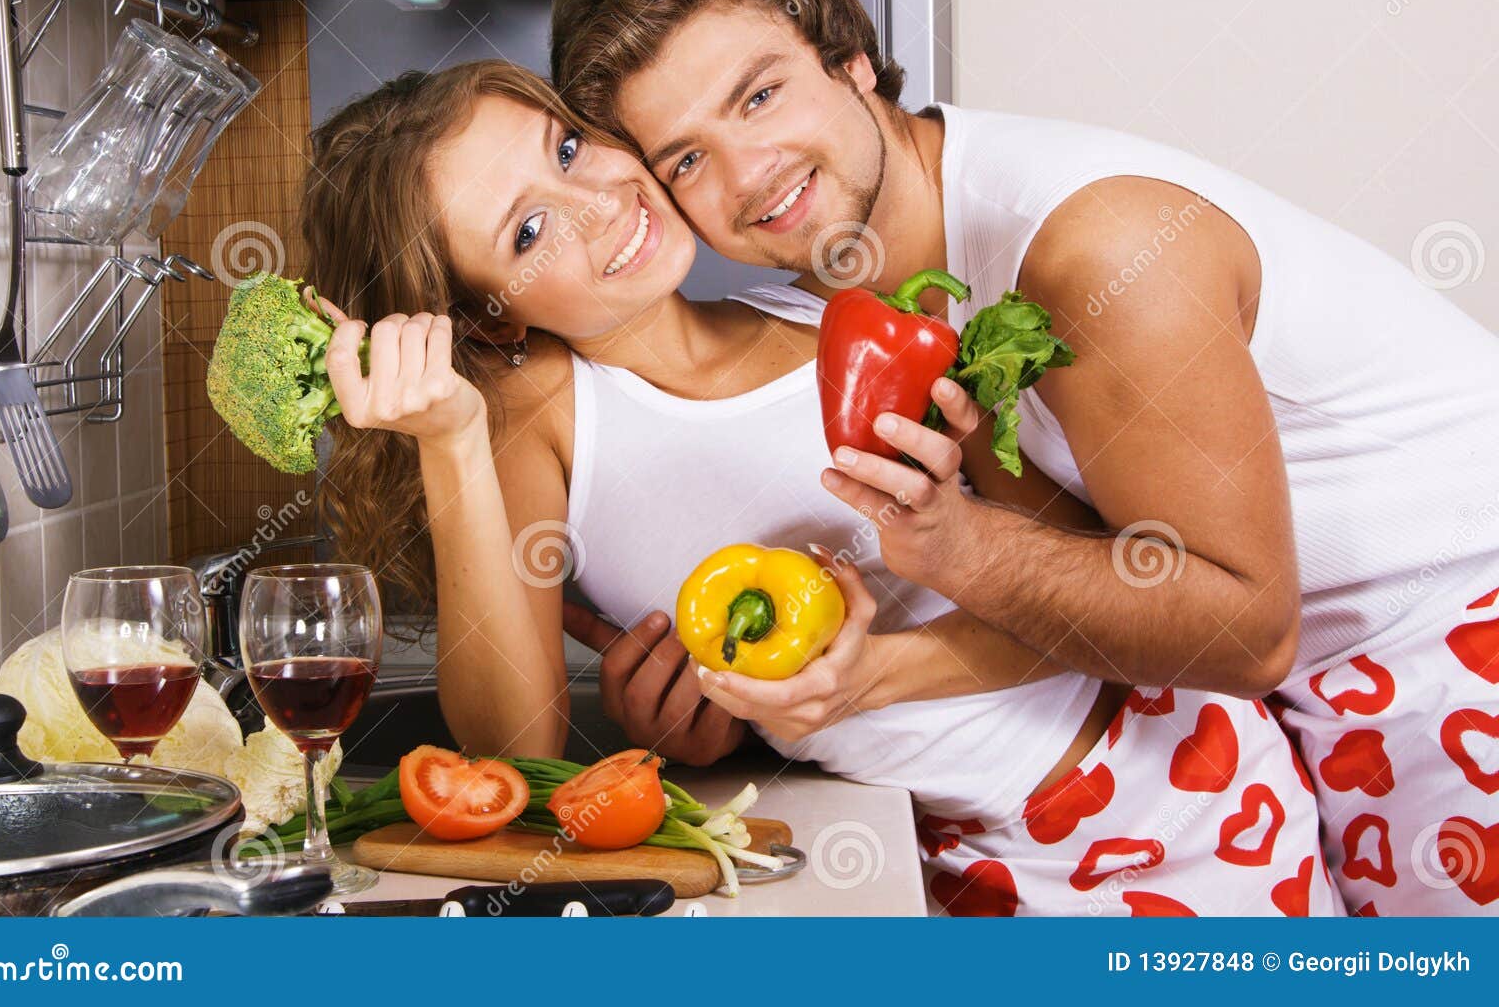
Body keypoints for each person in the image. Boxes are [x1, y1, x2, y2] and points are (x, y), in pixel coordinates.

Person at [548, 0, 1499, 915]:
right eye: (685, 157)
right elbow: (1108, 569)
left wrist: (943, 577)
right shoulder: (847, 285)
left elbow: (1242, 626)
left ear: (850, 57)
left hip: (1450, 644)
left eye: (760, 94)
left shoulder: (1093, 250)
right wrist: (746, 704)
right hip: (1306, 693)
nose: (747, 174)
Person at [299, 59, 1336, 916]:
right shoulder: (537, 421)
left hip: (1178, 789)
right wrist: (448, 436)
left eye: (568, 148)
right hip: (933, 851)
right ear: (488, 320)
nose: (599, 202)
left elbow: (1078, 586)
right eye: (526, 233)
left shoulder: (838, 316)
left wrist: (868, 671)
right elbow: (509, 763)